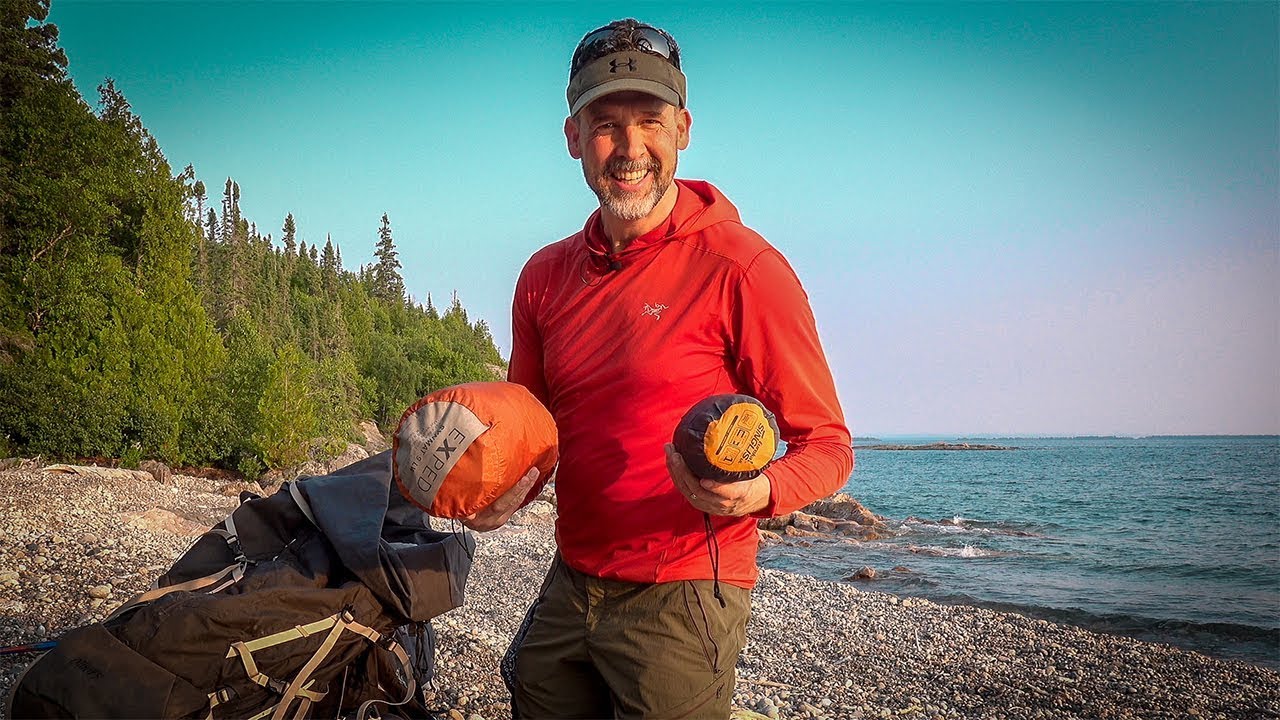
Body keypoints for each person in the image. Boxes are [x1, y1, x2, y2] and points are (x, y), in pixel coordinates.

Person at [496, 18, 854, 719]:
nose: (630, 149)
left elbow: (829, 446)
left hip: (685, 590)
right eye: (605, 124)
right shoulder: (543, 277)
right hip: (572, 579)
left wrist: (759, 494)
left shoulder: (743, 268)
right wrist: (486, 494)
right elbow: (527, 435)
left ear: (683, 129)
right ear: (572, 137)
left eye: (650, 122)